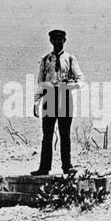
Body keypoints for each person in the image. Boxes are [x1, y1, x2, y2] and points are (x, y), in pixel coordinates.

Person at [32, 28, 84, 175]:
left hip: (65, 97)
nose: (57, 42)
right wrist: (36, 102)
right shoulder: (45, 59)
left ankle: (67, 166)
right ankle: (44, 168)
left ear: (64, 40)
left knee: (65, 134)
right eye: (55, 39)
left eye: (60, 39)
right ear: (51, 41)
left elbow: (81, 80)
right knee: (47, 135)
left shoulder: (70, 58)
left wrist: (69, 85)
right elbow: (40, 82)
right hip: (49, 97)